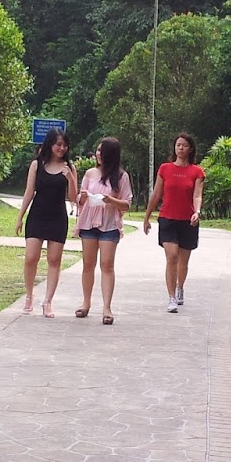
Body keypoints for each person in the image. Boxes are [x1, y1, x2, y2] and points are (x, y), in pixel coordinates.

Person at [14, 127, 77, 318]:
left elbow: (74, 197)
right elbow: (29, 192)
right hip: (37, 215)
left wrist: (70, 178)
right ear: (50, 144)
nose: (62, 148)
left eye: (65, 145)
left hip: (58, 217)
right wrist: (20, 217)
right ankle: (29, 296)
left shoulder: (70, 167)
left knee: (54, 260)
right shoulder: (37, 164)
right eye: (58, 144)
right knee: (31, 257)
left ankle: (48, 301)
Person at [141, 131, 205, 314]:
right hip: (168, 218)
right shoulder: (165, 169)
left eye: (184, 145)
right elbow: (156, 194)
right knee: (172, 256)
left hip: (188, 221)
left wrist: (197, 212)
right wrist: (147, 217)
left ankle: (180, 287)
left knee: (183, 261)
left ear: (190, 148)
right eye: (178, 145)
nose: (181, 148)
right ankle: (171, 298)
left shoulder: (197, 171)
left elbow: (197, 195)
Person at [73, 136, 134, 324]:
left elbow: (127, 204)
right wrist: (81, 198)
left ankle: (107, 307)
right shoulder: (90, 174)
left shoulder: (122, 176)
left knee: (107, 265)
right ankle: (86, 303)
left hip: (109, 225)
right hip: (89, 224)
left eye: (102, 151)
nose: (98, 154)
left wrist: (110, 200)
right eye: (98, 150)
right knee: (88, 264)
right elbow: (80, 200)